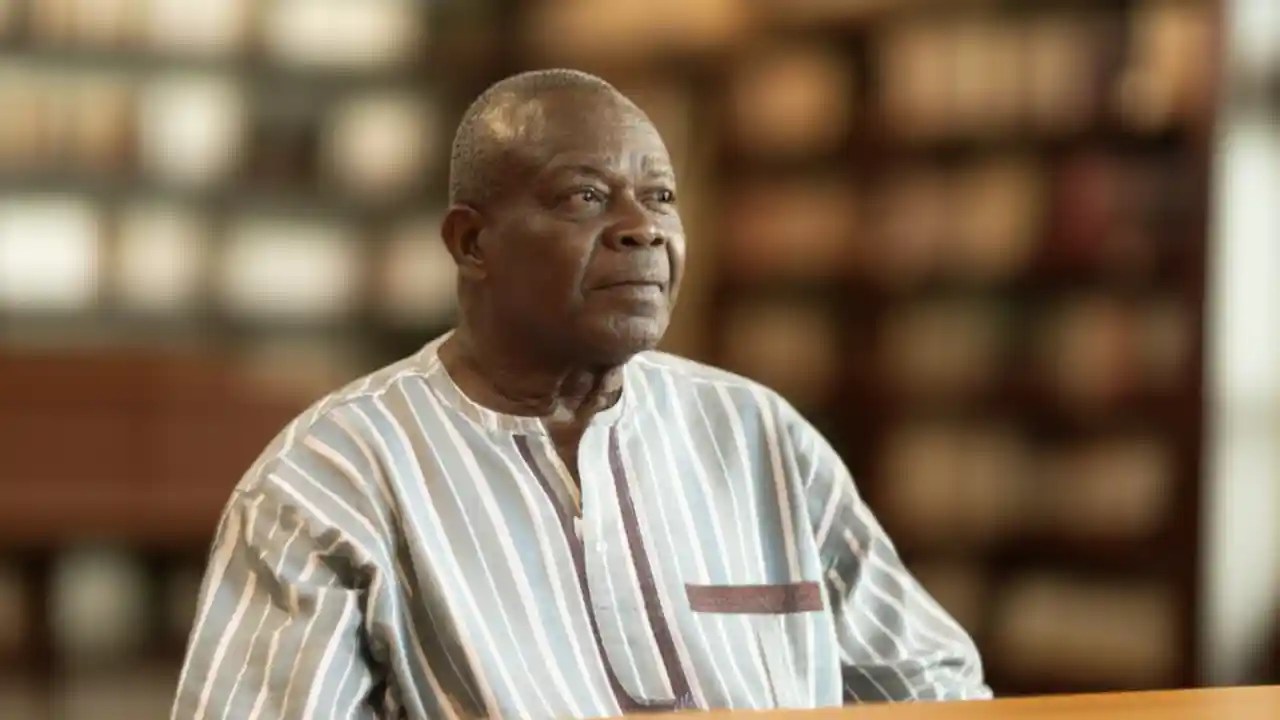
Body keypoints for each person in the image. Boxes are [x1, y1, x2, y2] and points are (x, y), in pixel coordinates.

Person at [172, 69, 991, 720]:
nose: (643, 228)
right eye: (586, 197)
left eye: (661, 197)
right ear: (472, 242)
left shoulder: (757, 437)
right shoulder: (329, 481)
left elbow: (936, 689)